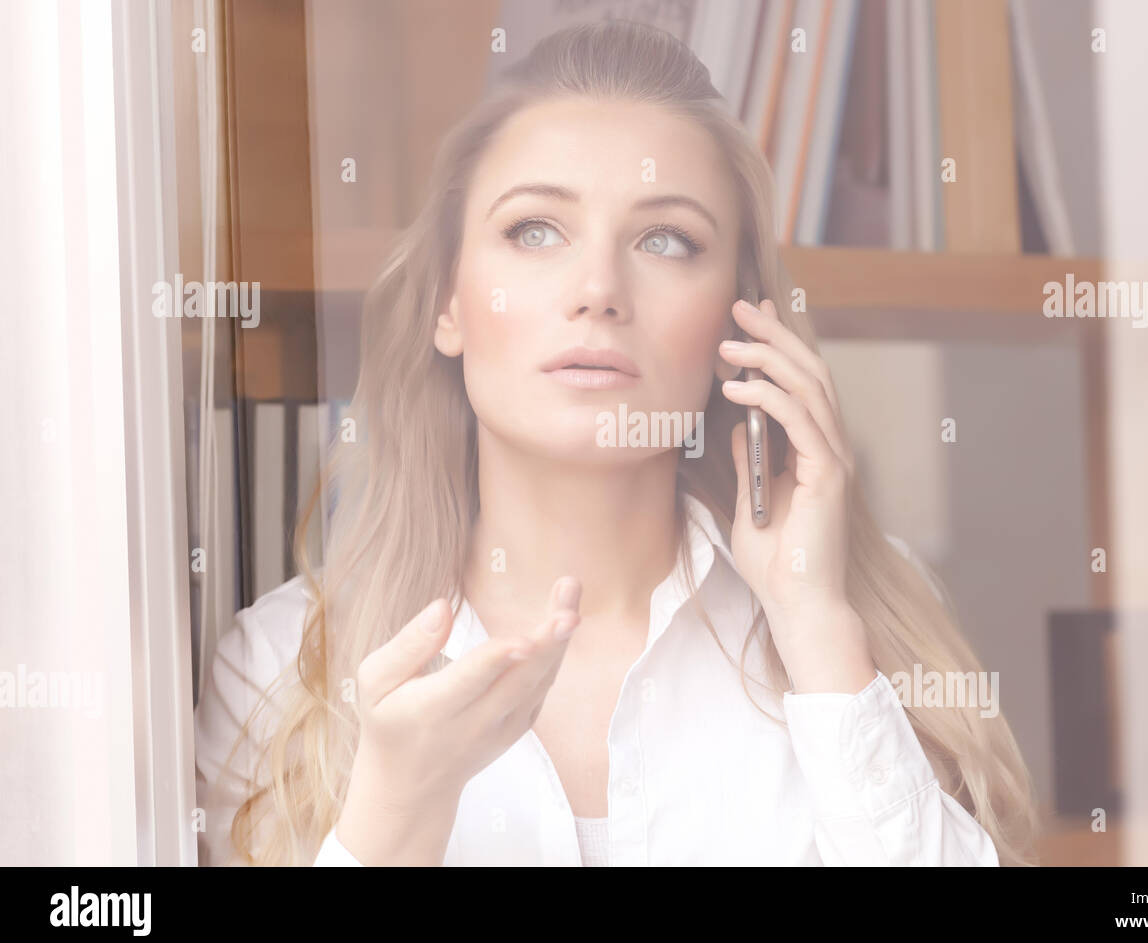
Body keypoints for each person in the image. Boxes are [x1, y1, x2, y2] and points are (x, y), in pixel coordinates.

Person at [194, 18, 1039, 867]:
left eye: (665, 241)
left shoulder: (847, 621)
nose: (598, 290)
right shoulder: (277, 670)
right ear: (448, 304)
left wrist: (815, 622)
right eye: (534, 231)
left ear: (738, 323)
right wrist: (394, 819)